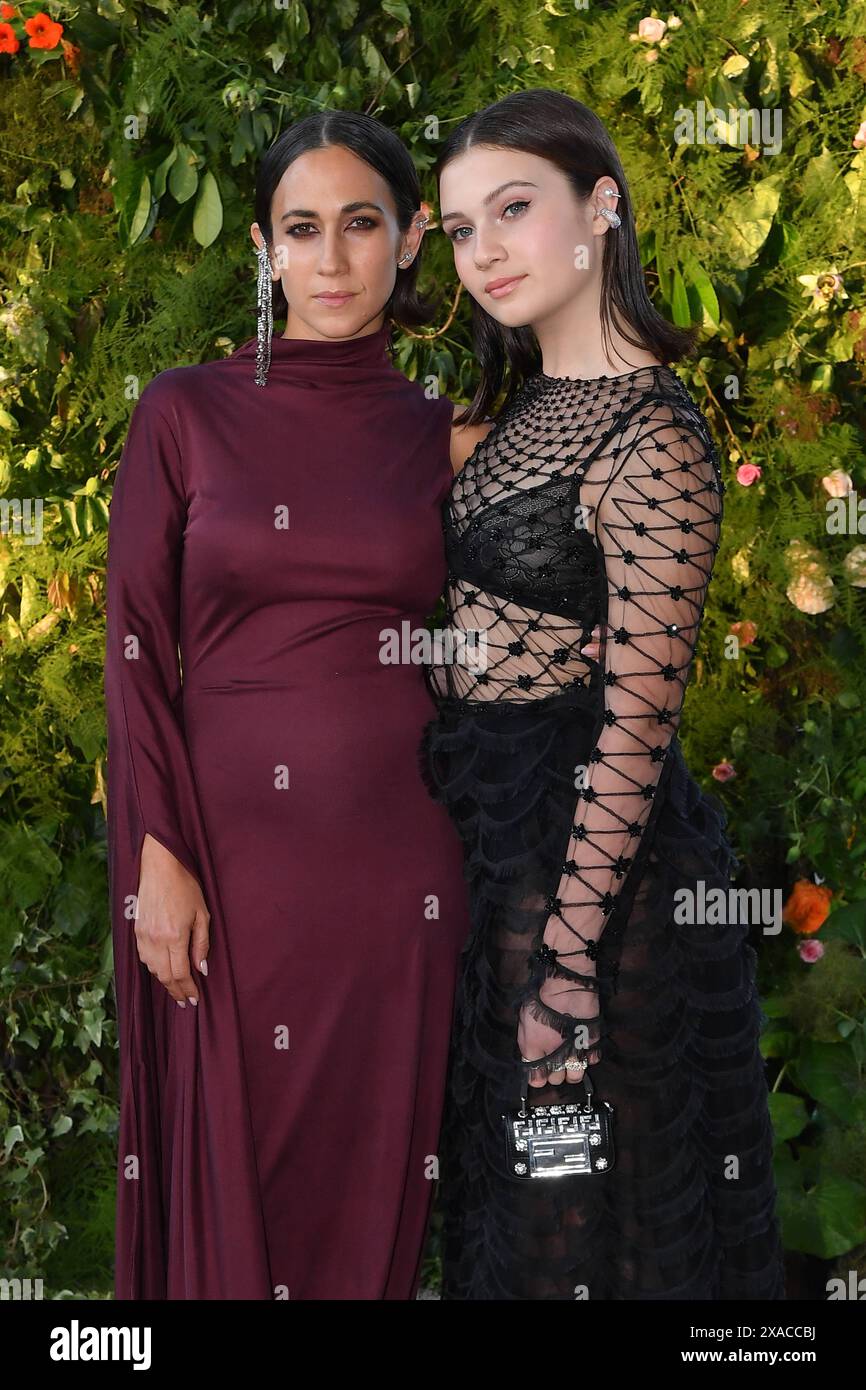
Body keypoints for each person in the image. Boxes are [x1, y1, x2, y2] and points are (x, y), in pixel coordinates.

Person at [104, 109, 485, 1299]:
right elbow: (133, 644)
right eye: (301, 229)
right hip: (221, 866)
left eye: (360, 225)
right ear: (264, 250)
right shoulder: (183, 411)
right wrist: (157, 854)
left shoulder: (448, 442)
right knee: (229, 1180)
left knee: (362, 1191)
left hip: (395, 875)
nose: (330, 262)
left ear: (413, 238)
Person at [419, 88, 785, 1300]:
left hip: (592, 879)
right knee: (520, 1211)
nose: (484, 254)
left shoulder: (654, 434)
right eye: (463, 229)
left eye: (513, 210)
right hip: (500, 853)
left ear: (602, 204)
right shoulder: (521, 410)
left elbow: (636, 717)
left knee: (581, 1233)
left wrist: (565, 965)